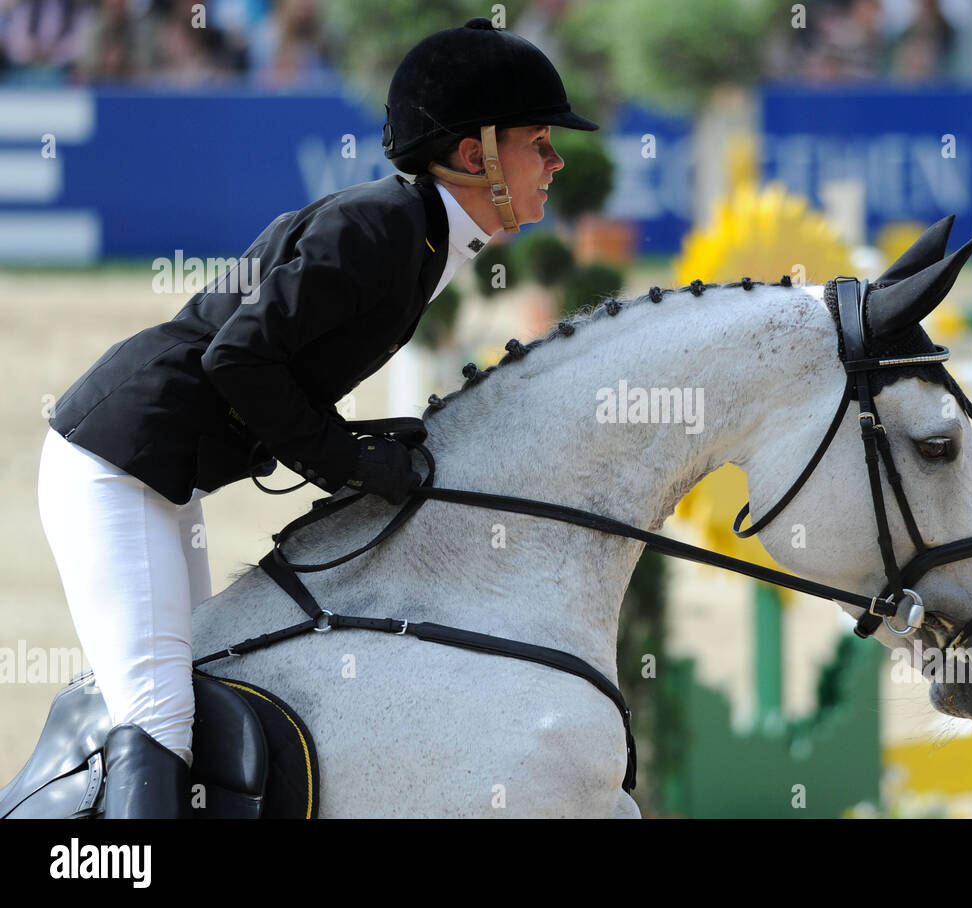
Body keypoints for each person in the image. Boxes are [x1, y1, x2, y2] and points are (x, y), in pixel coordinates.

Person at [37, 16, 597, 818]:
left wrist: (361, 442)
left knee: (203, 686)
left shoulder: (424, 236)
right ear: (476, 156)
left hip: (162, 474)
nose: (555, 160)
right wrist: (342, 461)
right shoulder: (379, 229)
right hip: (113, 464)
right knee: (158, 717)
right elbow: (237, 359)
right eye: (538, 142)